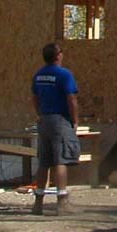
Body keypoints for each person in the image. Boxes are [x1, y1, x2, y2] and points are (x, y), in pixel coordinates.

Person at [30, 42, 81, 215]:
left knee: (44, 161)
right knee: (61, 160)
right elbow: (71, 99)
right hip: (60, 120)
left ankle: (38, 203)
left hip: (44, 120)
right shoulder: (64, 75)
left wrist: (39, 114)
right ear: (58, 56)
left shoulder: (39, 75)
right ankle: (62, 201)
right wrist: (75, 120)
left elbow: (35, 98)